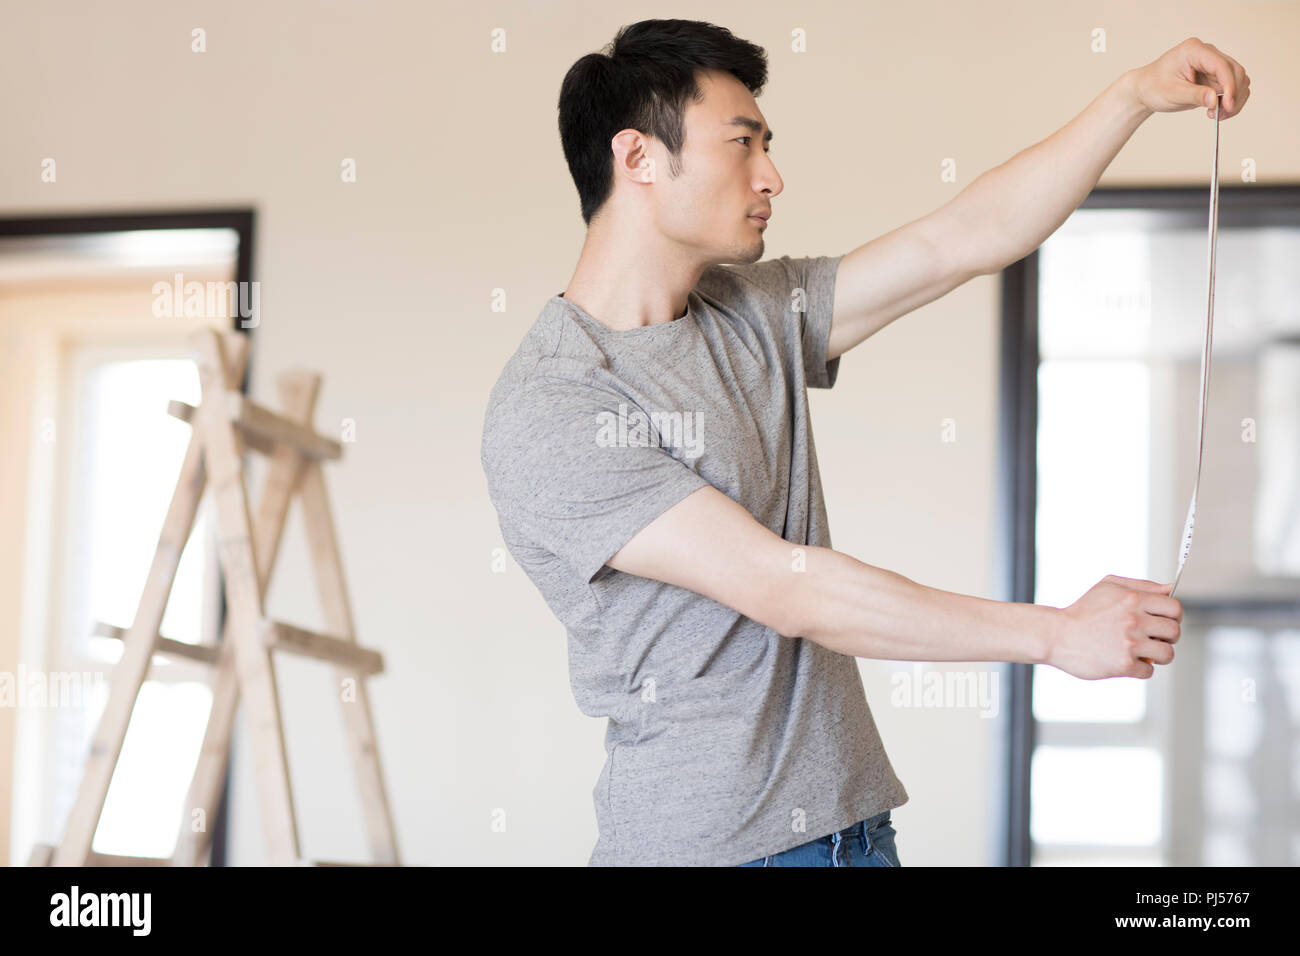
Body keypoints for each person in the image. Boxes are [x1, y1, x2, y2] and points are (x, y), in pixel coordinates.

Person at [480, 19, 1249, 866]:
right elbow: (790, 589)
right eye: (742, 143)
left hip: (854, 832)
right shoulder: (556, 401)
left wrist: (1132, 95)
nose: (771, 175)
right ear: (638, 158)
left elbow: (963, 238)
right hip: (714, 851)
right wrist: (1055, 635)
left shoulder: (751, 311)